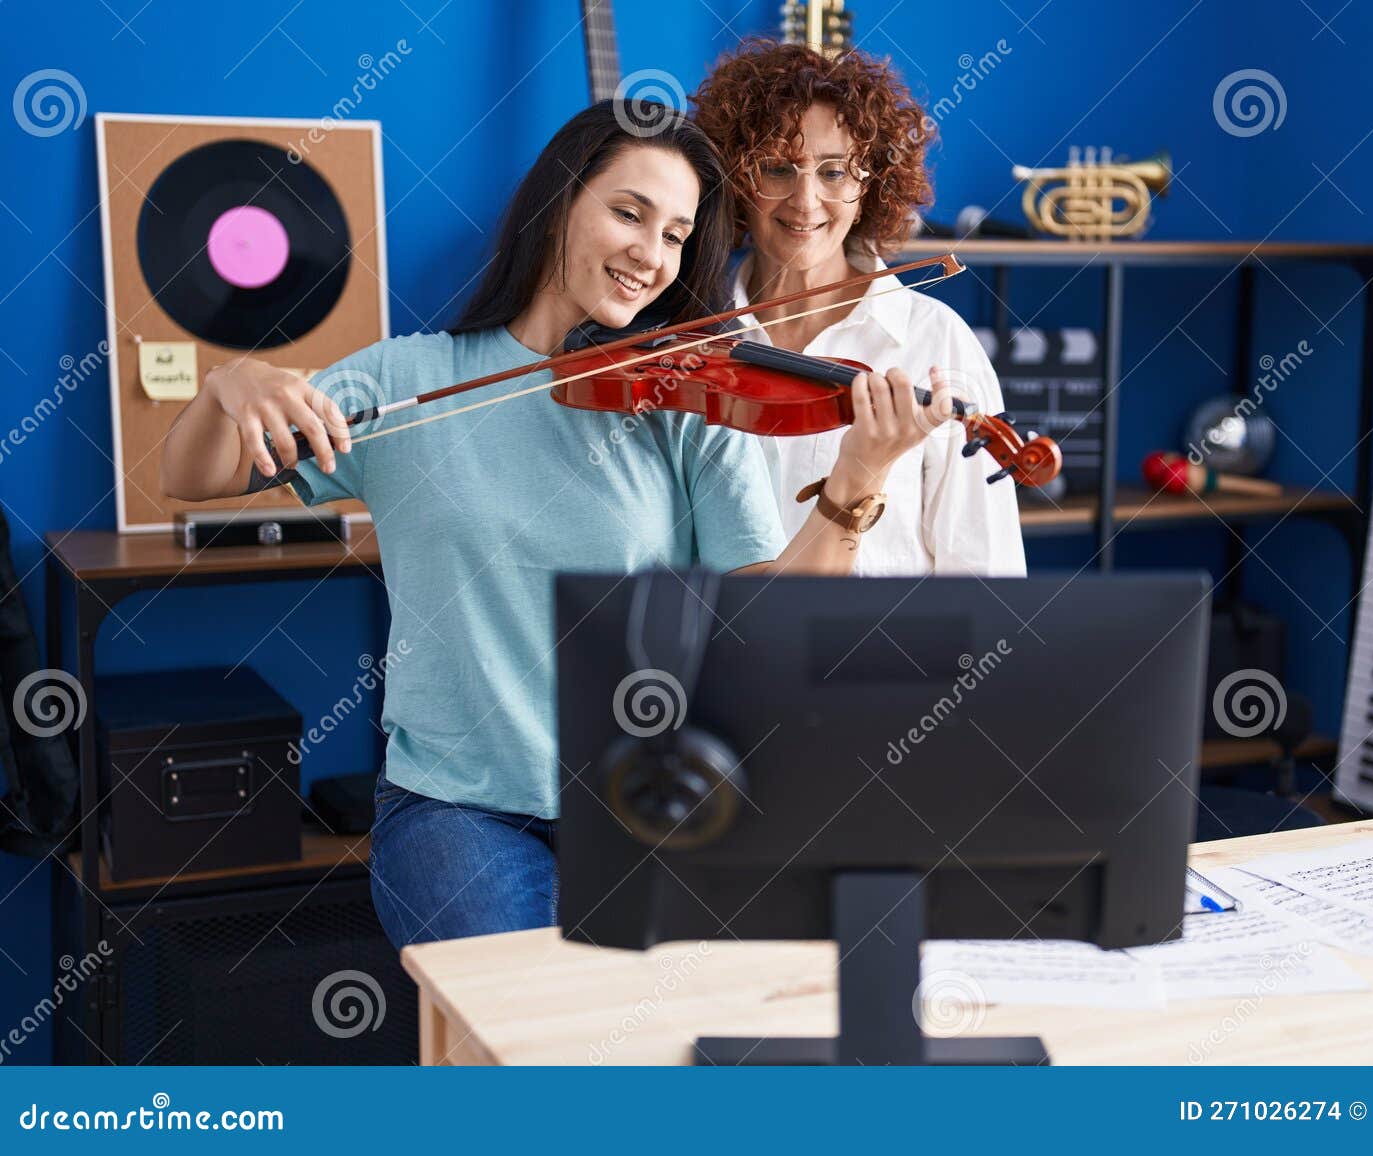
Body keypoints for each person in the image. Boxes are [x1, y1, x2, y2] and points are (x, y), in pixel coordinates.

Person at [159, 102, 947, 947]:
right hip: (459, 812)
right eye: (629, 213)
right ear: (558, 205)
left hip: (648, 805)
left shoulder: (680, 402)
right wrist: (229, 385)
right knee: (528, 1035)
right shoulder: (407, 378)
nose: (652, 255)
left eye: (677, 234)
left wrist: (860, 476)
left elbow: (771, 626)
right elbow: (188, 479)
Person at [692, 40, 1027, 576]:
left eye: (833, 172)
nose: (804, 201)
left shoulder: (936, 339)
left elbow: (985, 579)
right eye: (777, 168)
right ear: (736, 181)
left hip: (889, 658)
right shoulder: (689, 347)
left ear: (869, 189)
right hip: (724, 653)